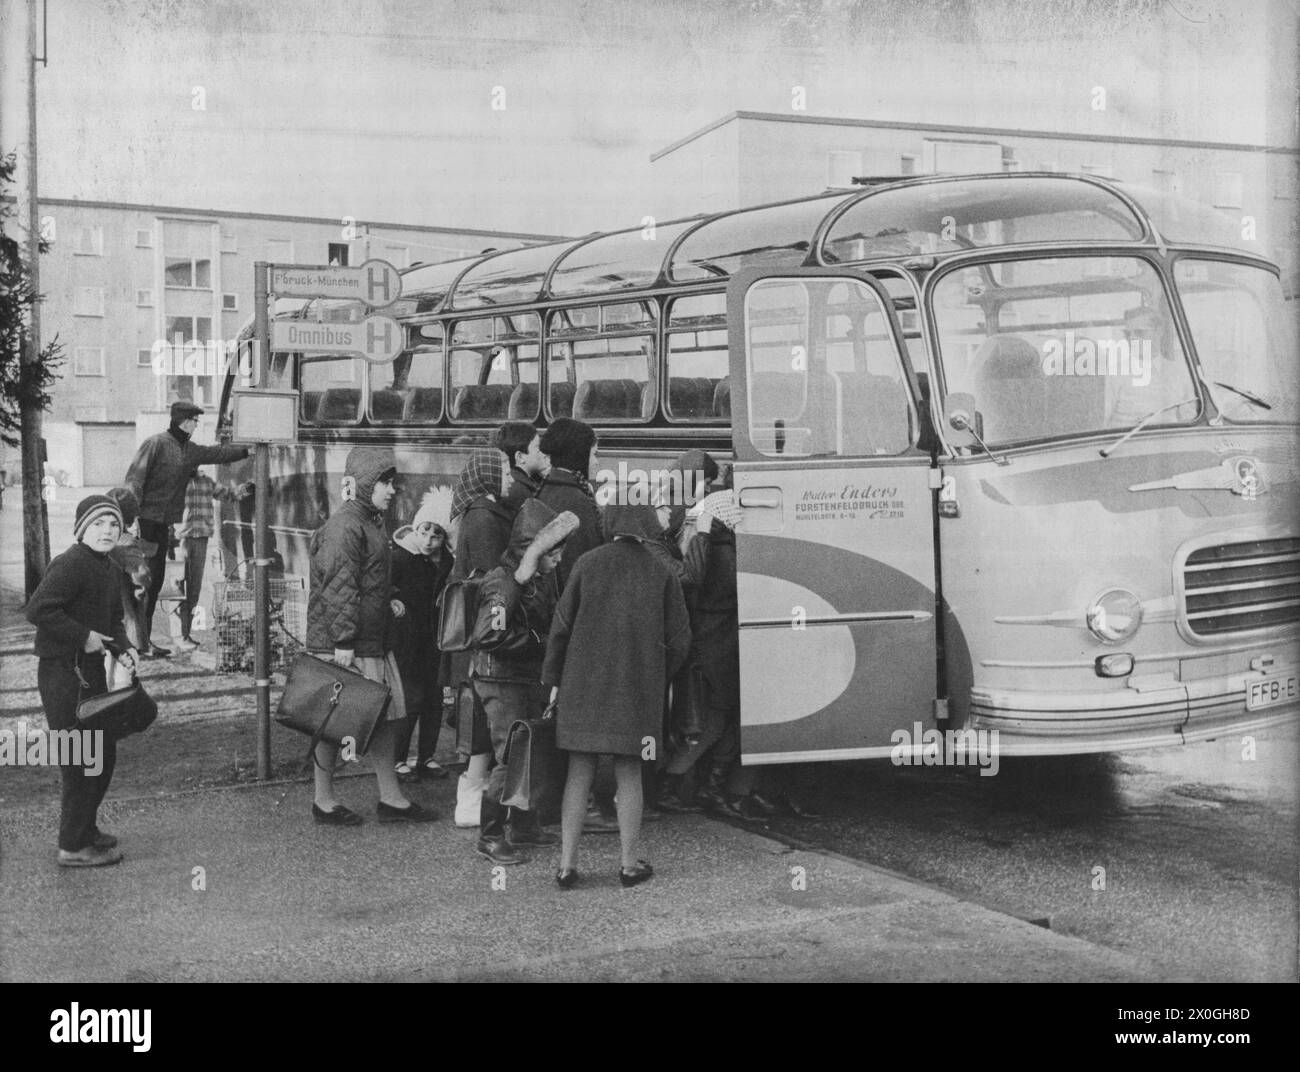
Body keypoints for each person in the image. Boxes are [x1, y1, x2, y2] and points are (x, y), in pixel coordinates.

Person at [542, 502, 691, 889]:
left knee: (579, 773)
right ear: (646, 528)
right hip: (637, 693)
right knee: (631, 774)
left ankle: (566, 865)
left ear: (609, 526)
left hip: (582, 688)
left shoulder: (587, 564)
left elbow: (560, 627)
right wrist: (656, 675)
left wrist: (554, 678)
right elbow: (680, 640)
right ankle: (627, 864)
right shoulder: (661, 571)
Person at [305, 446, 436, 826]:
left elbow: (369, 579)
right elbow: (339, 587)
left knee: (386, 716)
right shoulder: (346, 526)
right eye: (383, 481)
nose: (391, 489)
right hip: (348, 644)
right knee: (333, 723)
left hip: (370, 641)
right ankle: (324, 801)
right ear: (363, 484)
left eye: (391, 481)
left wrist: (390, 598)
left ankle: (390, 797)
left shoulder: (367, 522)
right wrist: (343, 644)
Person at [26, 495, 139, 867]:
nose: (107, 530)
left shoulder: (107, 566)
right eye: (98, 524)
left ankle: (86, 829)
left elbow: (113, 618)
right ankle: (72, 847)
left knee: (102, 755)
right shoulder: (71, 563)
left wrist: (123, 647)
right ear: (81, 529)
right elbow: (39, 608)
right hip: (61, 671)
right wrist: (82, 636)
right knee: (79, 757)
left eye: (113, 524)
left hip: (89, 673)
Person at [468, 499, 577, 864]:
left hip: (520, 677)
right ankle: (491, 834)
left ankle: (524, 824)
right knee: (511, 754)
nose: (559, 559)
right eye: (553, 551)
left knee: (528, 750)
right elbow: (488, 634)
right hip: (500, 678)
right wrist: (541, 643)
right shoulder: (503, 581)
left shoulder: (535, 578)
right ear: (533, 548)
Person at [123, 400, 250, 657]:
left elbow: (217, 453)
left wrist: (248, 449)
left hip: (164, 526)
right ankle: (139, 644)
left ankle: (143, 643)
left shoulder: (189, 450)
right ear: (184, 421)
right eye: (194, 420)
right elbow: (134, 480)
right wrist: (130, 517)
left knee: (155, 583)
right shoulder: (156, 444)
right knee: (144, 584)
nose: (196, 425)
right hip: (147, 523)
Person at [446, 448, 515, 827]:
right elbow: (494, 578)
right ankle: (472, 798)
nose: (508, 475)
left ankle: (474, 794)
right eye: (502, 469)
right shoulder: (485, 517)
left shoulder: (476, 512)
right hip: (482, 633)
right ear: (488, 475)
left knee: (480, 715)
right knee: (483, 717)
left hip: (473, 632)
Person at [390, 502, 454, 782]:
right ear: (415, 529)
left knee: (434, 700)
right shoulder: (401, 557)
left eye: (436, 535)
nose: (428, 540)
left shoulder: (447, 563)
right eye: (424, 531)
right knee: (410, 700)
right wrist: (393, 600)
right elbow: (384, 586)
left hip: (434, 640)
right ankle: (398, 759)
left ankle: (426, 756)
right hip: (407, 640)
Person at [175, 471, 253, 652]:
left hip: (201, 538)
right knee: (177, 588)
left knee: (193, 590)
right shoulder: (174, 479)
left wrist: (248, 488)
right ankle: (178, 636)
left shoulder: (205, 481)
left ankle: (185, 635)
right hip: (180, 540)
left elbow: (229, 494)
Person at [535, 418, 603, 592]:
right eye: (593, 454)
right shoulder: (577, 501)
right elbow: (584, 566)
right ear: (578, 455)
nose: (596, 462)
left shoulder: (546, 490)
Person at [104, 487, 151, 653]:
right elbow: (141, 573)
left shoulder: (97, 538)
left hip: (97, 611)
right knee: (125, 666)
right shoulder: (126, 542)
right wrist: (141, 588)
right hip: (122, 613)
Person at [494, 421, 549, 511]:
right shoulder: (519, 492)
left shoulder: (514, 483)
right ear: (520, 457)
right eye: (537, 447)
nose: (543, 453)